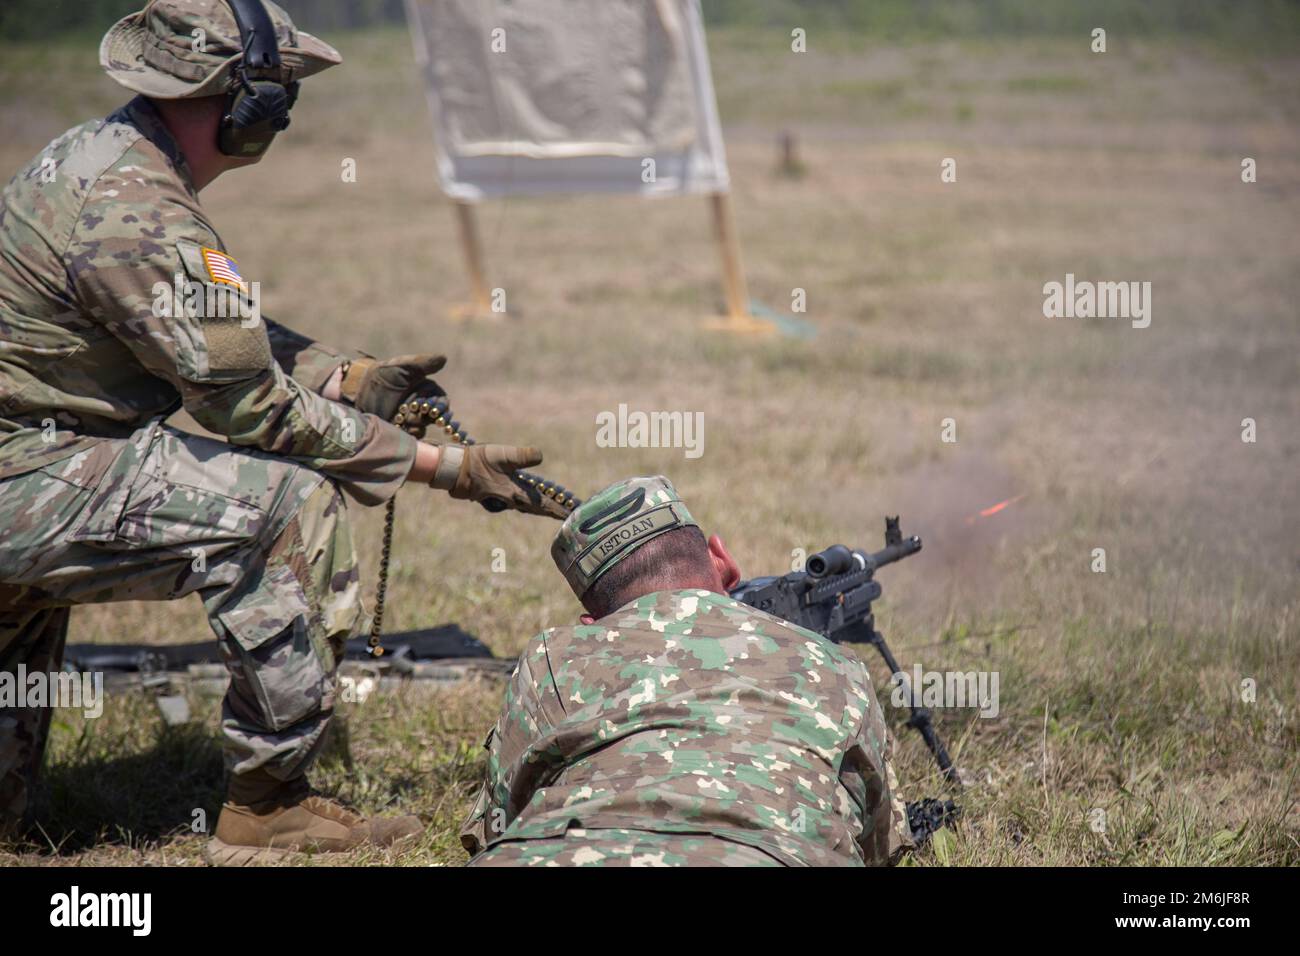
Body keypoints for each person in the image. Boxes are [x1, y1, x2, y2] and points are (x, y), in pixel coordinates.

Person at [0, 0, 566, 865]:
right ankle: (266, 808)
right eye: (278, 90)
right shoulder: (136, 209)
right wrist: (445, 468)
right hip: (31, 482)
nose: (286, 111)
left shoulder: (112, 158)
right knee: (284, 509)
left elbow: (208, 332)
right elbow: (246, 406)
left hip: (34, 464)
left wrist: (351, 379)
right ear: (242, 102)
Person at [460, 476, 914, 866]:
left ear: (592, 626)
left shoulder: (551, 657)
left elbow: (497, 825)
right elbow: (879, 843)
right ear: (722, 560)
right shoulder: (838, 666)